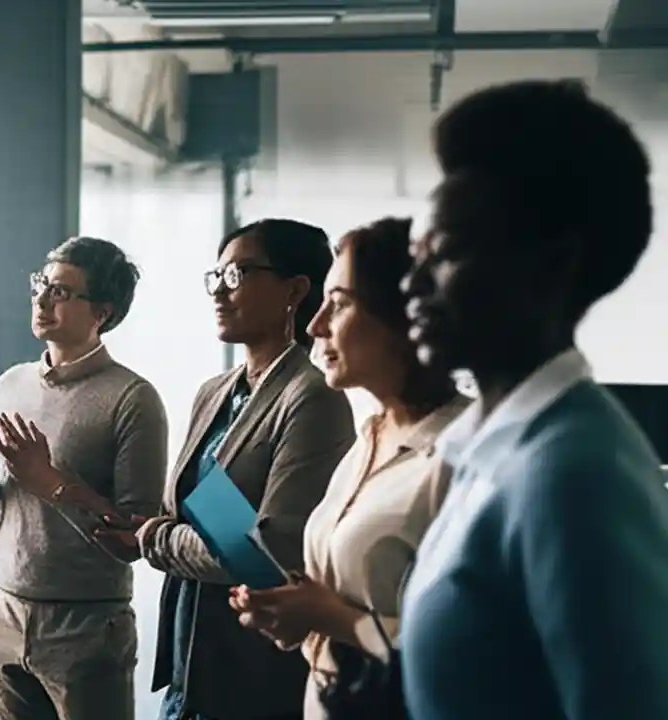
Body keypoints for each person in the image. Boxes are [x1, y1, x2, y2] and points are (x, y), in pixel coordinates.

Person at [399, 79, 668, 720]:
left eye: (446, 254)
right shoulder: (494, 448)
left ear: (552, 266)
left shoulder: (573, 473)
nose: (411, 283)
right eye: (415, 254)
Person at [103, 219, 355, 720]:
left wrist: (157, 539)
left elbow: (271, 552)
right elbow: (181, 509)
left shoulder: (311, 397)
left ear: (295, 290)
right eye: (215, 276)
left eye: (238, 274)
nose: (219, 290)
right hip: (188, 654)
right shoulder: (214, 391)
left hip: (253, 664)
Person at [228, 217, 468, 719]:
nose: (315, 325)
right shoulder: (369, 438)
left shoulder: (462, 456)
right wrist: (296, 616)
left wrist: (332, 617)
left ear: (401, 318)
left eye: (338, 304)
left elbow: (475, 650)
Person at [0, 236, 168, 720]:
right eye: (42, 284)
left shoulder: (132, 399)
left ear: (101, 312)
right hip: (6, 607)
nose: (41, 299)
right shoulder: (11, 384)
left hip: (86, 623)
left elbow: (135, 534)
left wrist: (52, 481)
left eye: (61, 292)